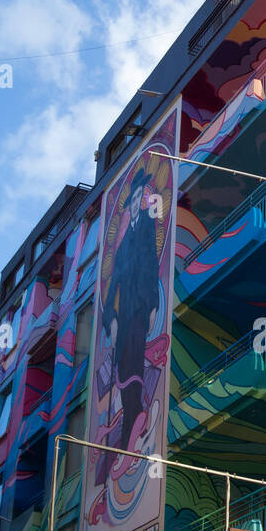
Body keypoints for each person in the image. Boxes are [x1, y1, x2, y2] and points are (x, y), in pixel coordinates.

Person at [102, 166, 163, 451]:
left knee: (135, 360)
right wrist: (109, 318)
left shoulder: (148, 226)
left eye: (141, 194)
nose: (139, 200)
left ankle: (135, 414)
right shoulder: (125, 242)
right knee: (124, 364)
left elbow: (152, 264)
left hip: (139, 307)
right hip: (123, 313)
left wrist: (152, 304)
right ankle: (130, 417)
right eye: (135, 195)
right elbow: (114, 279)